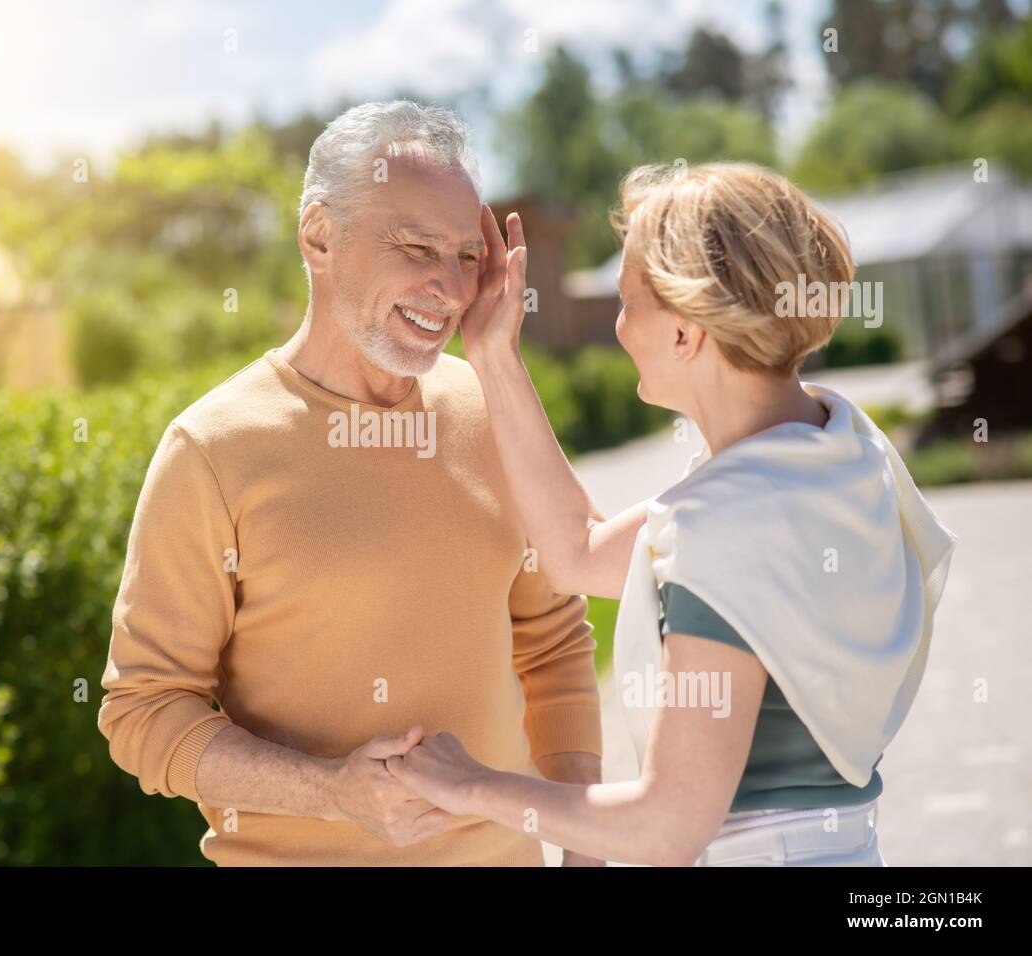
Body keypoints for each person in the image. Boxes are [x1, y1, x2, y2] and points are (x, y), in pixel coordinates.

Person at [386, 161, 958, 866]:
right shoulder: (840, 448)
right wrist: (494, 355)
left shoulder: (724, 524)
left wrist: (472, 786)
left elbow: (666, 828)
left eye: (628, 304)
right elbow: (577, 553)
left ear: (687, 335)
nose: (620, 329)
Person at [96, 100, 610, 866]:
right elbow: (144, 714)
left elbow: (553, 642)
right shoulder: (211, 450)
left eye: (468, 256)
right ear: (319, 236)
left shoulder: (491, 408)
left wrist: (585, 843)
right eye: (415, 246)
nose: (447, 287)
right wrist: (332, 789)